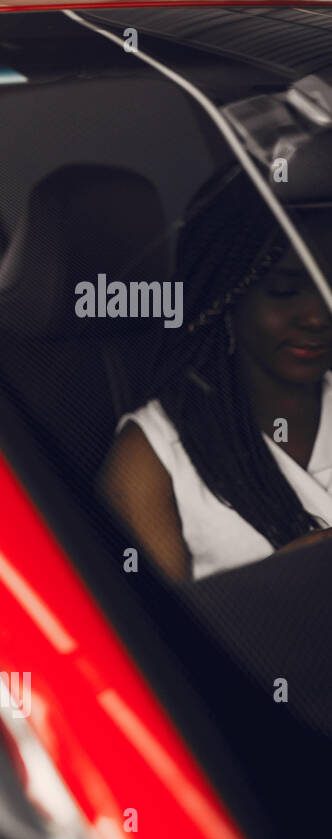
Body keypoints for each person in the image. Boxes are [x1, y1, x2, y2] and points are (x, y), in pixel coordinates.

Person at [99, 165, 332, 582]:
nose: (317, 316)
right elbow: (159, 634)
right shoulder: (153, 458)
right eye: (283, 291)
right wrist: (287, 581)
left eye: (328, 285)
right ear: (227, 296)